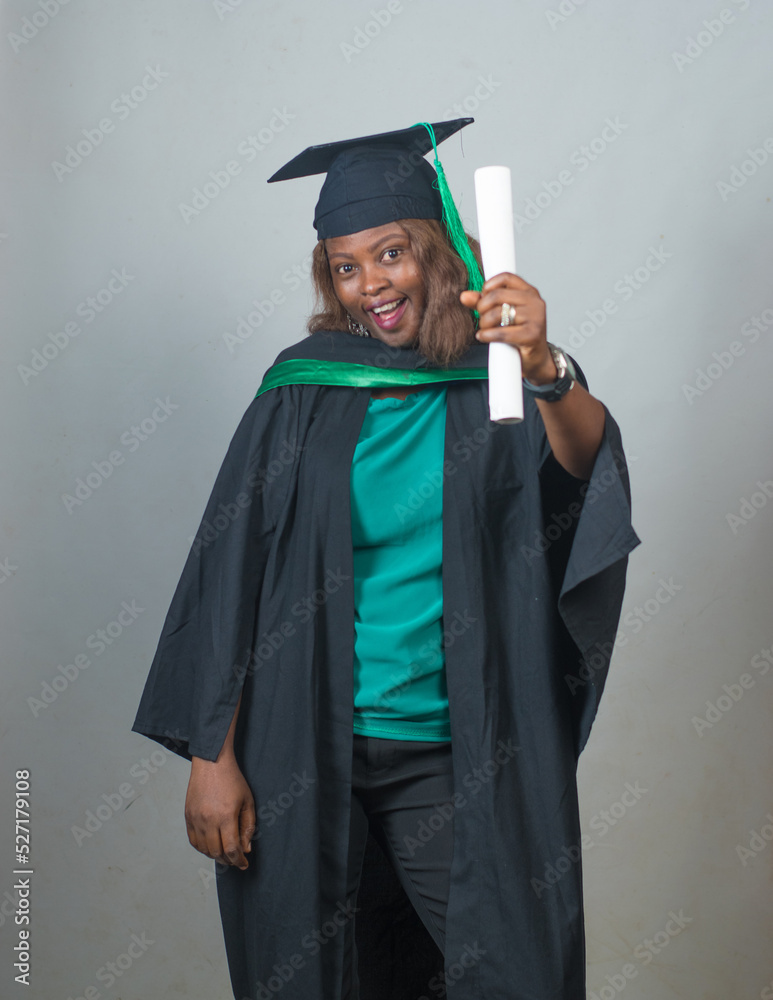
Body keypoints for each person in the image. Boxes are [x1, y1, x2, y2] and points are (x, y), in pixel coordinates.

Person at [132, 119, 640, 1000]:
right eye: (346, 266)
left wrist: (546, 364)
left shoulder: (507, 379)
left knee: (513, 973)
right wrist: (210, 759)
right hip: (302, 744)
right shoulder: (304, 391)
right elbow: (229, 578)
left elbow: (583, 467)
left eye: (392, 253)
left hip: (451, 751)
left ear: (436, 252)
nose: (372, 284)